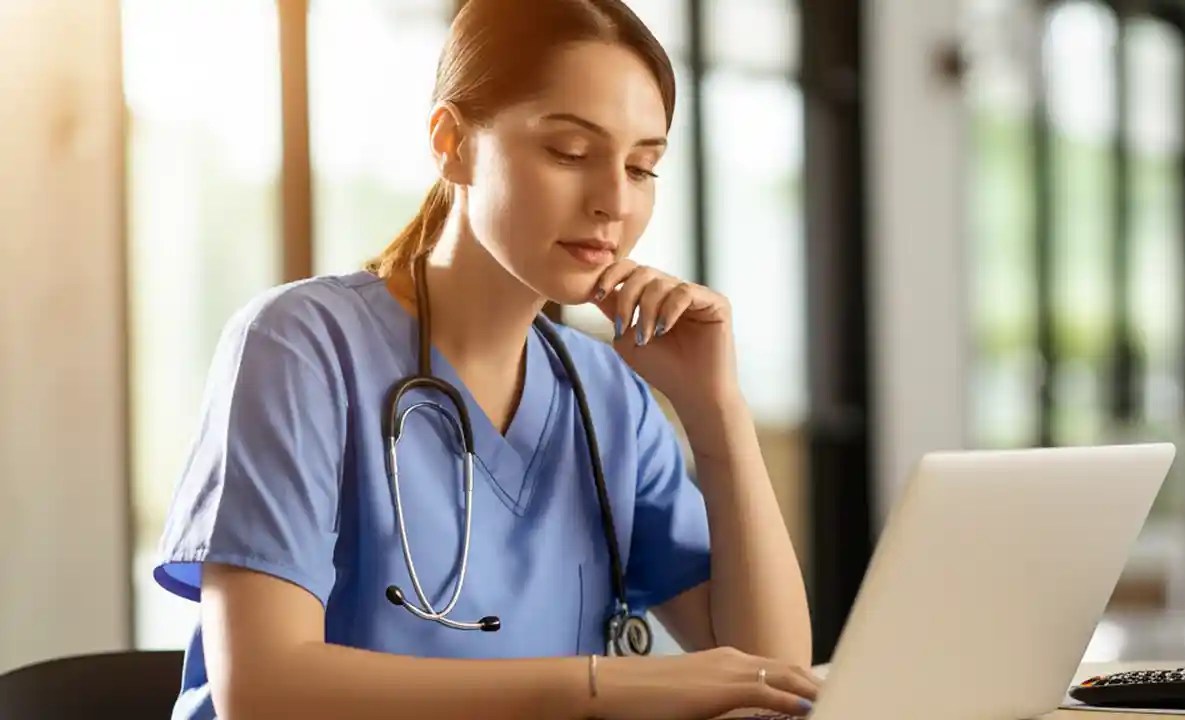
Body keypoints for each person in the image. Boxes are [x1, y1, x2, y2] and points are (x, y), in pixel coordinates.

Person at [151, 0, 816, 717]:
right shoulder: (300, 346)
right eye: (569, 152)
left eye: (642, 166)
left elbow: (772, 679)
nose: (612, 202)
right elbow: (265, 690)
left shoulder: (607, 396)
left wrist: (716, 411)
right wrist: (598, 687)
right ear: (451, 142)